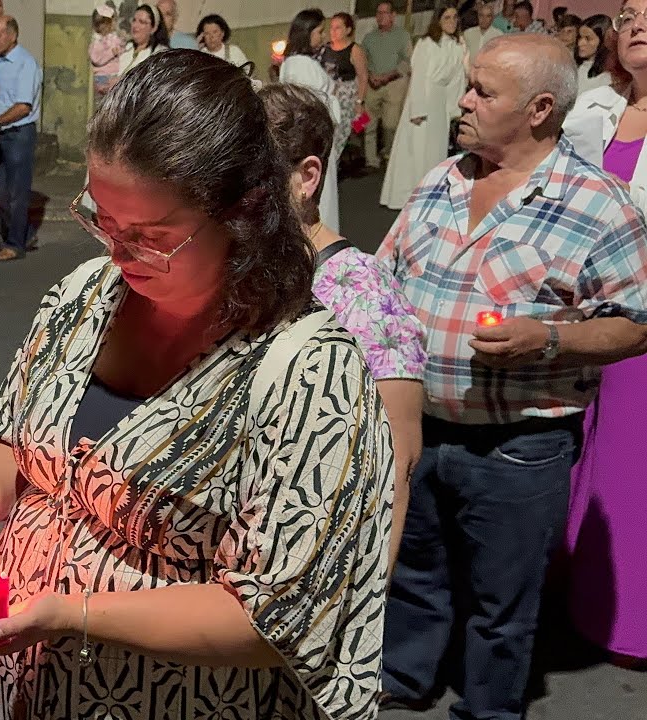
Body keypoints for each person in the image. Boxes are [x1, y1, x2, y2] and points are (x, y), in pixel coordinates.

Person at [0, 51, 395, 720]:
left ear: (244, 212)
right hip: (38, 687)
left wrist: (76, 613)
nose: (117, 253)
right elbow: (15, 429)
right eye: (102, 220)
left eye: (151, 236)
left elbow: (271, 615)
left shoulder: (307, 369)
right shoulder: (85, 296)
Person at [378, 33, 647, 720]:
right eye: (467, 85)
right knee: (414, 573)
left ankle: (490, 708)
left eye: (482, 92)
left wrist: (549, 338)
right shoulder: (443, 178)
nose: (462, 102)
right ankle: (405, 679)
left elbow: (637, 323)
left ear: (539, 109)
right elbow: (384, 278)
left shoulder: (600, 204)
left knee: (503, 605)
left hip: (518, 447)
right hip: (420, 428)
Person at [260, 81, 427, 572]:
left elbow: (398, 462)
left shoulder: (363, 291)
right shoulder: (242, 267)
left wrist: (364, 607)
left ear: (306, 176)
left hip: (317, 549)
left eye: (252, 176)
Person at [561, 0, 647, 668]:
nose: (637, 23)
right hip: (602, 318)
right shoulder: (595, 113)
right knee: (599, 457)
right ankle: (593, 607)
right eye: (628, 13)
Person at [379, 4, 465, 210]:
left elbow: (457, 79)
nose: (451, 22)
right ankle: (409, 195)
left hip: (441, 103)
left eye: (454, 18)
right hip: (424, 99)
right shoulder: (427, 44)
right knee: (416, 150)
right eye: (447, 18)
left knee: (435, 150)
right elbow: (418, 78)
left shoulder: (456, 46)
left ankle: (431, 194)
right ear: (438, 20)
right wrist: (417, 109)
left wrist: (455, 109)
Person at [279, 8, 344, 232]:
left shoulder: (293, 62)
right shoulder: (301, 64)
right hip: (315, 136)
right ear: (306, 33)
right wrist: (332, 100)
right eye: (319, 32)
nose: (323, 37)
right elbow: (314, 104)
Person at [0, 16, 41, 263]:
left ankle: (15, 244)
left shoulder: (25, 63)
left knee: (17, 192)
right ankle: (24, 233)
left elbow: (23, 107)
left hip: (18, 133)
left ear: (12, 35)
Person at [362, 1, 413, 170]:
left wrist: (387, 76)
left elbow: (407, 61)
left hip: (394, 84)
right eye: (378, 13)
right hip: (372, 85)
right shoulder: (369, 38)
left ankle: (388, 153)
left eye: (385, 13)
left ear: (393, 16)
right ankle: (371, 160)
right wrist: (370, 76)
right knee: (366, 123)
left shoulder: (403, 36)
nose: (381, 16)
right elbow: (363, 60)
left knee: (390, 125)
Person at [319, 13, 370, 147]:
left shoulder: (355, 50)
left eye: (338, 28)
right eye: (331, 28)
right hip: (329, 96)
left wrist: (360, 102)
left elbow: (363, 77)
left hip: (347, 98)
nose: (333, 31)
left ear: (347, 30)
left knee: (342, 134)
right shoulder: (325, 48)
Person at [118, 4, 168, 78]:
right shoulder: (125, 47)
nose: (135, 25)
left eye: (142, 22)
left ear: (153, 28)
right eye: (134, 20)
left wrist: (120, 81)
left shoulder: (160, 54)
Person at [88, 4, 122, 98]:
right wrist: (111, 53)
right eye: (113, 21)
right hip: (103, 77)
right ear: (104, 25)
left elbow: (120, 47)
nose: (115, 23)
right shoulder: (97, 43)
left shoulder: (112, 37)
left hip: (114, 74)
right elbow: (96, 59)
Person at [575, 13, 612, 95]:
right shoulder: (575, 67)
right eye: (580, 37)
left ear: (603, 41)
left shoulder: (608, 76)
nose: (580, 43)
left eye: (588, 39)